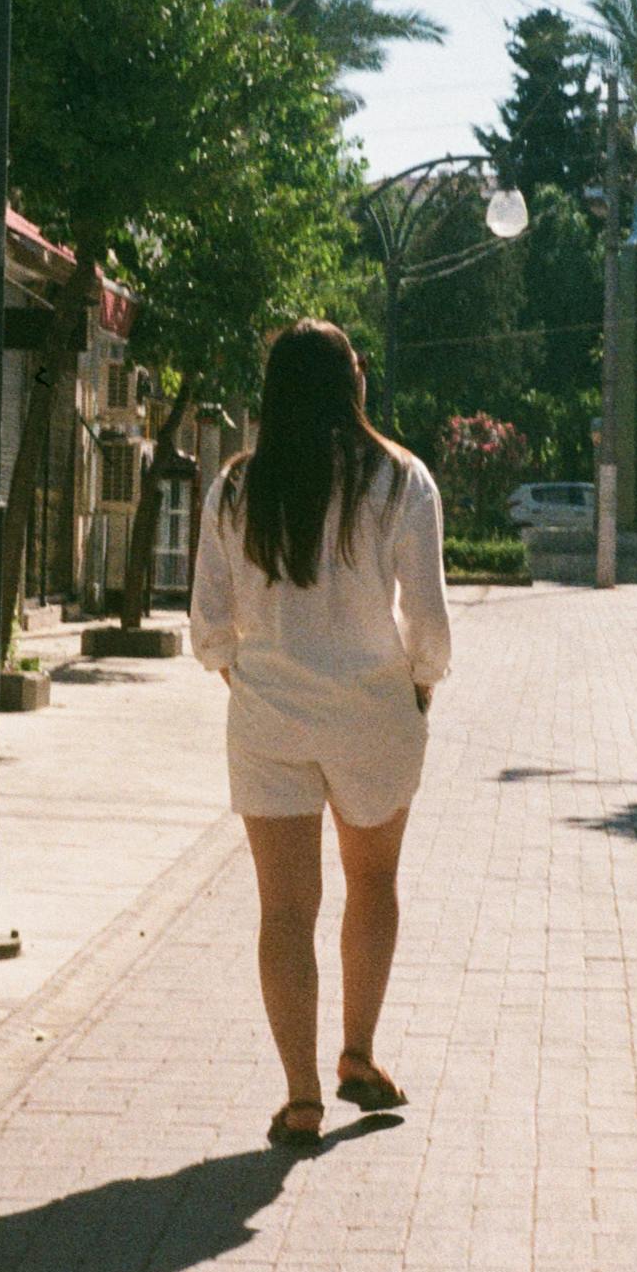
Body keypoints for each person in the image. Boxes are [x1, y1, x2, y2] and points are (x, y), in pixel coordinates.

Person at [190, 321, 450, 1153]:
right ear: (353, 383)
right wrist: (417, 686)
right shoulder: (402, 479)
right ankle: (359, 1055)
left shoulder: (235, 488)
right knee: (372, 884)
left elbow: (206, 626)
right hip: (374, 713)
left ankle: (301, 1097)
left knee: (284, 909)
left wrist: (248, 677)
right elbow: (430, 624)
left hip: (267, 718)